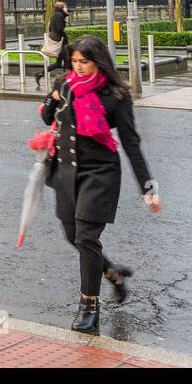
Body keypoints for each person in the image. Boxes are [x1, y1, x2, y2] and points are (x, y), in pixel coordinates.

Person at [40, 34, 160, 333]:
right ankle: (113, 273)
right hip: (67, 172)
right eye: (75, 62)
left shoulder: (115, 95)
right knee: (73, 235)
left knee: (86, 238)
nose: (78, 67)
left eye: (85, 62)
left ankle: (89, 304)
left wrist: (148, 188)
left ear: (99, 61)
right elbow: (46, 117)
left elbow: (131, 144)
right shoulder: (65, 86)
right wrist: (52, 98)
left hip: (99, 173)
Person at [36, 0, 70, 88]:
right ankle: (66, 80)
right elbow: (59, 29)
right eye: (66, 7)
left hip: (57, 40)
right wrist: (64, 36)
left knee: (60, 62)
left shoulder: (55, 15)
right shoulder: (60, 16)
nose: (67, 9)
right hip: (60, 42)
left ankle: (40, 73)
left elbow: (51, 28)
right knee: (66, 60)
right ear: (62, 8)